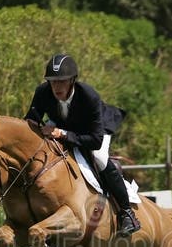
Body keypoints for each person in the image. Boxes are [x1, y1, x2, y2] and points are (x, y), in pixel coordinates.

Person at [24, 53, 141, 236]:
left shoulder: (88, 96)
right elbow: (30, 120)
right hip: (62, 125)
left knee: (99, 157)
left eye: (62, 81)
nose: (56, 87)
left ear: (72, 80)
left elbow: (95, 141)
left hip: (93, 131)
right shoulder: (43, 92)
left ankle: (127, 213)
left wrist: (62, 134)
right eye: (53, 82)